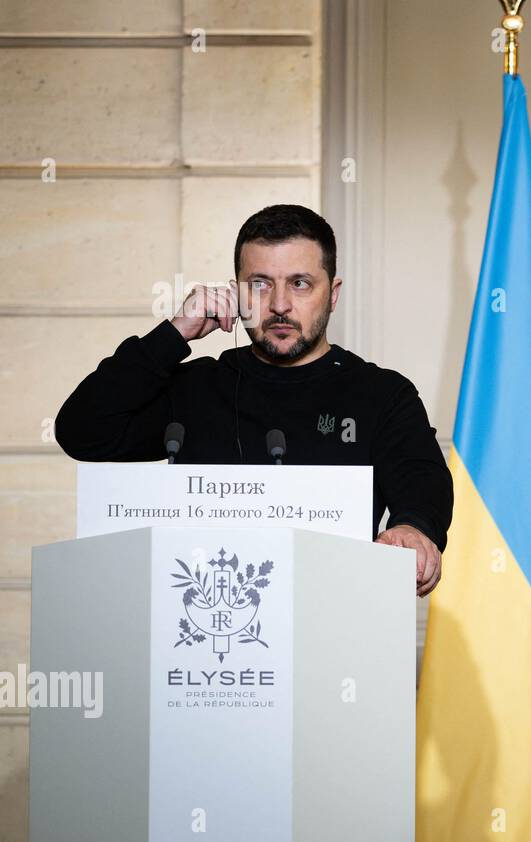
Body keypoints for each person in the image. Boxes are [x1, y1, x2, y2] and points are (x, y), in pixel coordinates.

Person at [55, 204, 451, 597]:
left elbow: (420, 481)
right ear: (235, 293)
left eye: (300, 283)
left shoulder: (382, 394)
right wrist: (173, 335)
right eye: (260, 284)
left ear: (332, 294)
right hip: (200, 629)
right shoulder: (195, 389)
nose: (279, 305)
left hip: (333, 624)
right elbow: (83, 431)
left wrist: (413, 529)